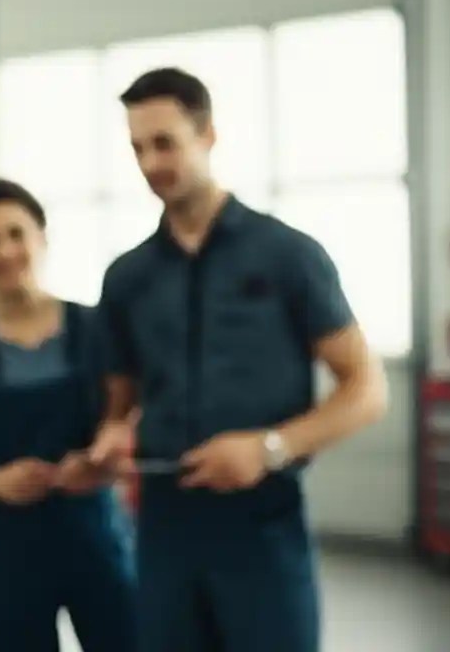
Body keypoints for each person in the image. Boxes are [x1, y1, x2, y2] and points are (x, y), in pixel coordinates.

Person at [88, 67, 389, 652]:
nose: (151, 164)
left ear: (208, 136)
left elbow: (367, 389)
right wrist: (108, 439)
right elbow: (119, 405)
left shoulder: (289, 256)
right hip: (165, 528)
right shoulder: (127, 278)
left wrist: (268, 448)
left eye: (165, 143)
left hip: (262, 522)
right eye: (137, 148)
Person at [0, 178, 137, 652]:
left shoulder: (96, 328)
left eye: (16, 234)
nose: (5, 251)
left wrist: (103, 453)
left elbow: (123, 418)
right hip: (11, 553)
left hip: (98, 538)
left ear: (42, 237)